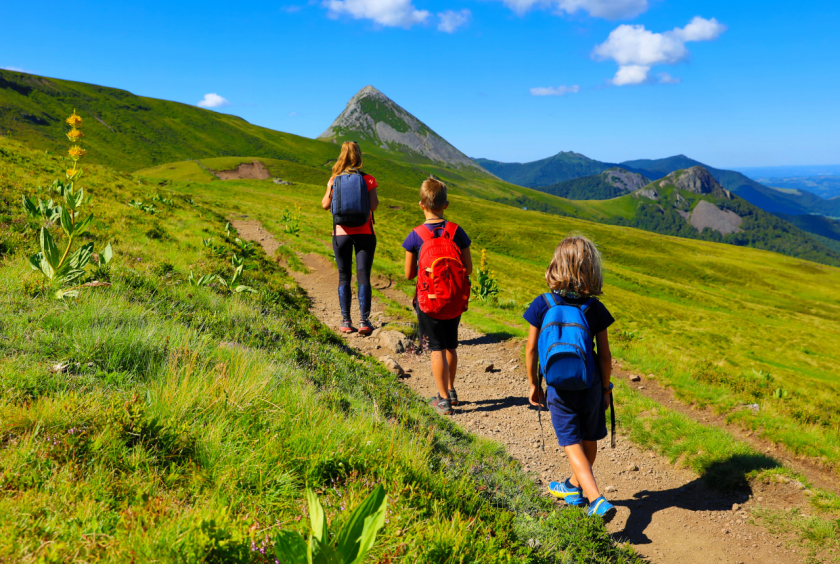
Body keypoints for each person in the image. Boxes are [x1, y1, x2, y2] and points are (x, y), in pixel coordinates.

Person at [523, 235, 617, 522]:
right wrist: (606, 388)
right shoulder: (594, 308)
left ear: (556, 265)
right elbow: (604, 356)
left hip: (558, 388)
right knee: (588, 439)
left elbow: (530, 350)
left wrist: (533, 384)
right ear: (591, 270)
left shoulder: (542, 303)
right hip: (590, 384)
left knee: (571, 442)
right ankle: (573, 488)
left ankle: (596, 499)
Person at [403, 177, 472, 416]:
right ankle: (451, 391)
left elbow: (409, 275)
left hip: (429, 301)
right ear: (446, 205)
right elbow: (468, 268)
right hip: (454, 299)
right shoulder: (457, 232)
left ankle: (442, 400)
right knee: (451, 345)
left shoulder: (415, 236)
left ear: (421, 204)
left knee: (436, 348)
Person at [321, 141, 379, 335]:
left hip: (341, 234)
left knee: (344, 275)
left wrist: (330, 189)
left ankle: (346, 321)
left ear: (341, 156)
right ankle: (364, 321)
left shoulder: (334, 179)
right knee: (363, 275)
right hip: (365, 233)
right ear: (359, 156)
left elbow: (325, 205)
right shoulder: (368, 179)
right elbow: (373, 206)